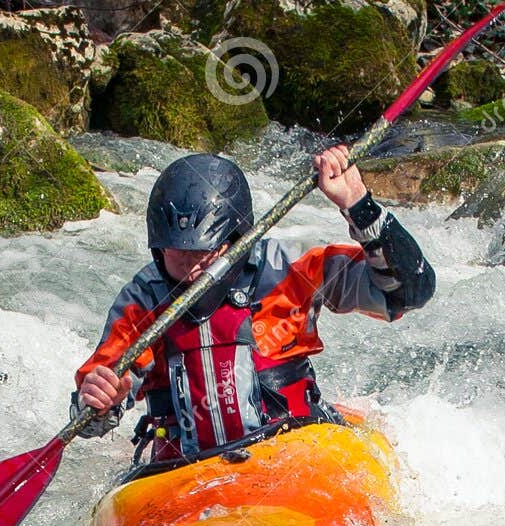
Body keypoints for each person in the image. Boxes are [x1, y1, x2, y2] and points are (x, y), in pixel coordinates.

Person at [73, 149, 435, 467]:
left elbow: (410, 292)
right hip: (185, 473)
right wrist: (99, 402)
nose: (192, 269)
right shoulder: (141, 302)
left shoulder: (290, 269)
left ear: (236, 239)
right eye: (178, 254)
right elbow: (87, 420)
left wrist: (359, 205)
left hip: (294, 454)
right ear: (158, 247)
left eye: (204, 254)